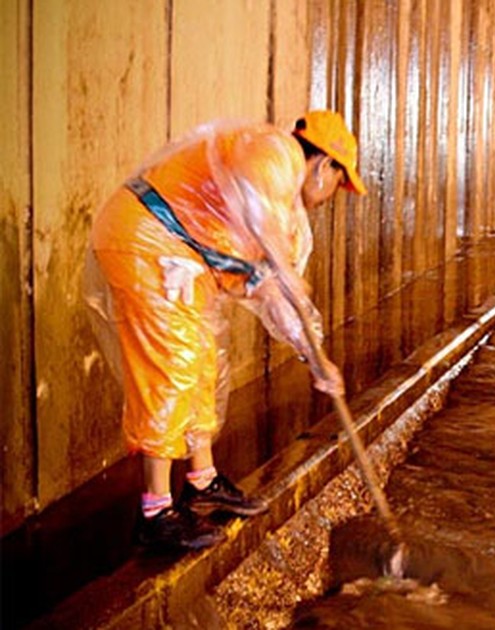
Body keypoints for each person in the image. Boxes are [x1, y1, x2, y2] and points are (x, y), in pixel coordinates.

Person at [85, 111, 367, 551]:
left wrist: (317, 360)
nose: (335, 194)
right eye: (340, 181)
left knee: (201, 366)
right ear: (324, 164)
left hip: (180, 254)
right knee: (172, 369)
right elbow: (254, 199)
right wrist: (278, 261)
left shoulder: (282, 208)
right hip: (148, 239)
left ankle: (202, 481)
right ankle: (155, 514)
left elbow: (273, 297)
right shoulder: (278, 153)